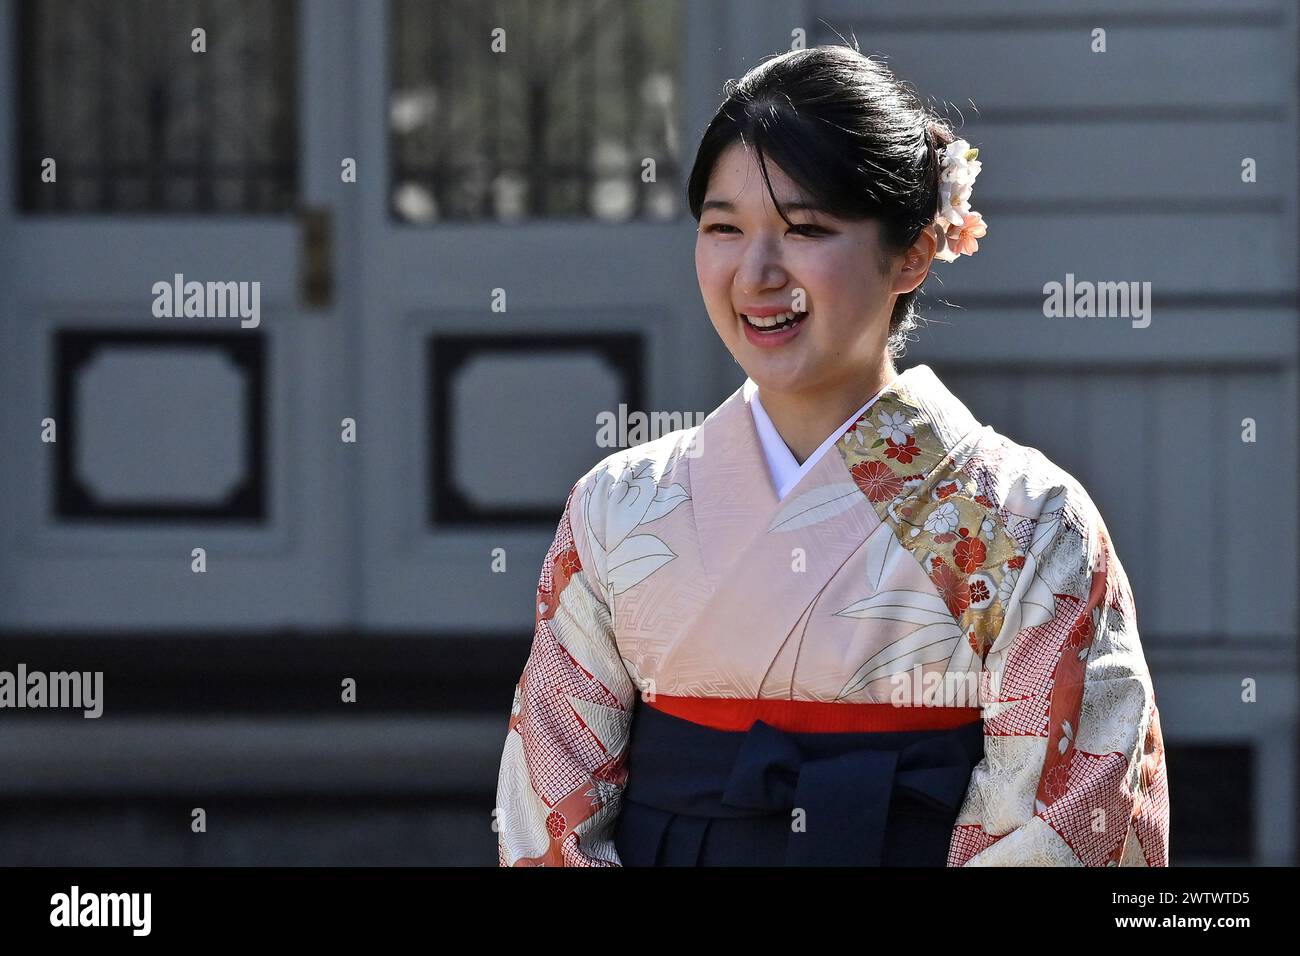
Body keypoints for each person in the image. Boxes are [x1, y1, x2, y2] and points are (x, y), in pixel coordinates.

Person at [495, 43, 1169, 866]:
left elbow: (1075, 815)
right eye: (723, 229)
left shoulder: (1024, 521)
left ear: (913, 251)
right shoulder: (616, 508)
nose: (756, 273)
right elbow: (551, 806)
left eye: (806, 229)